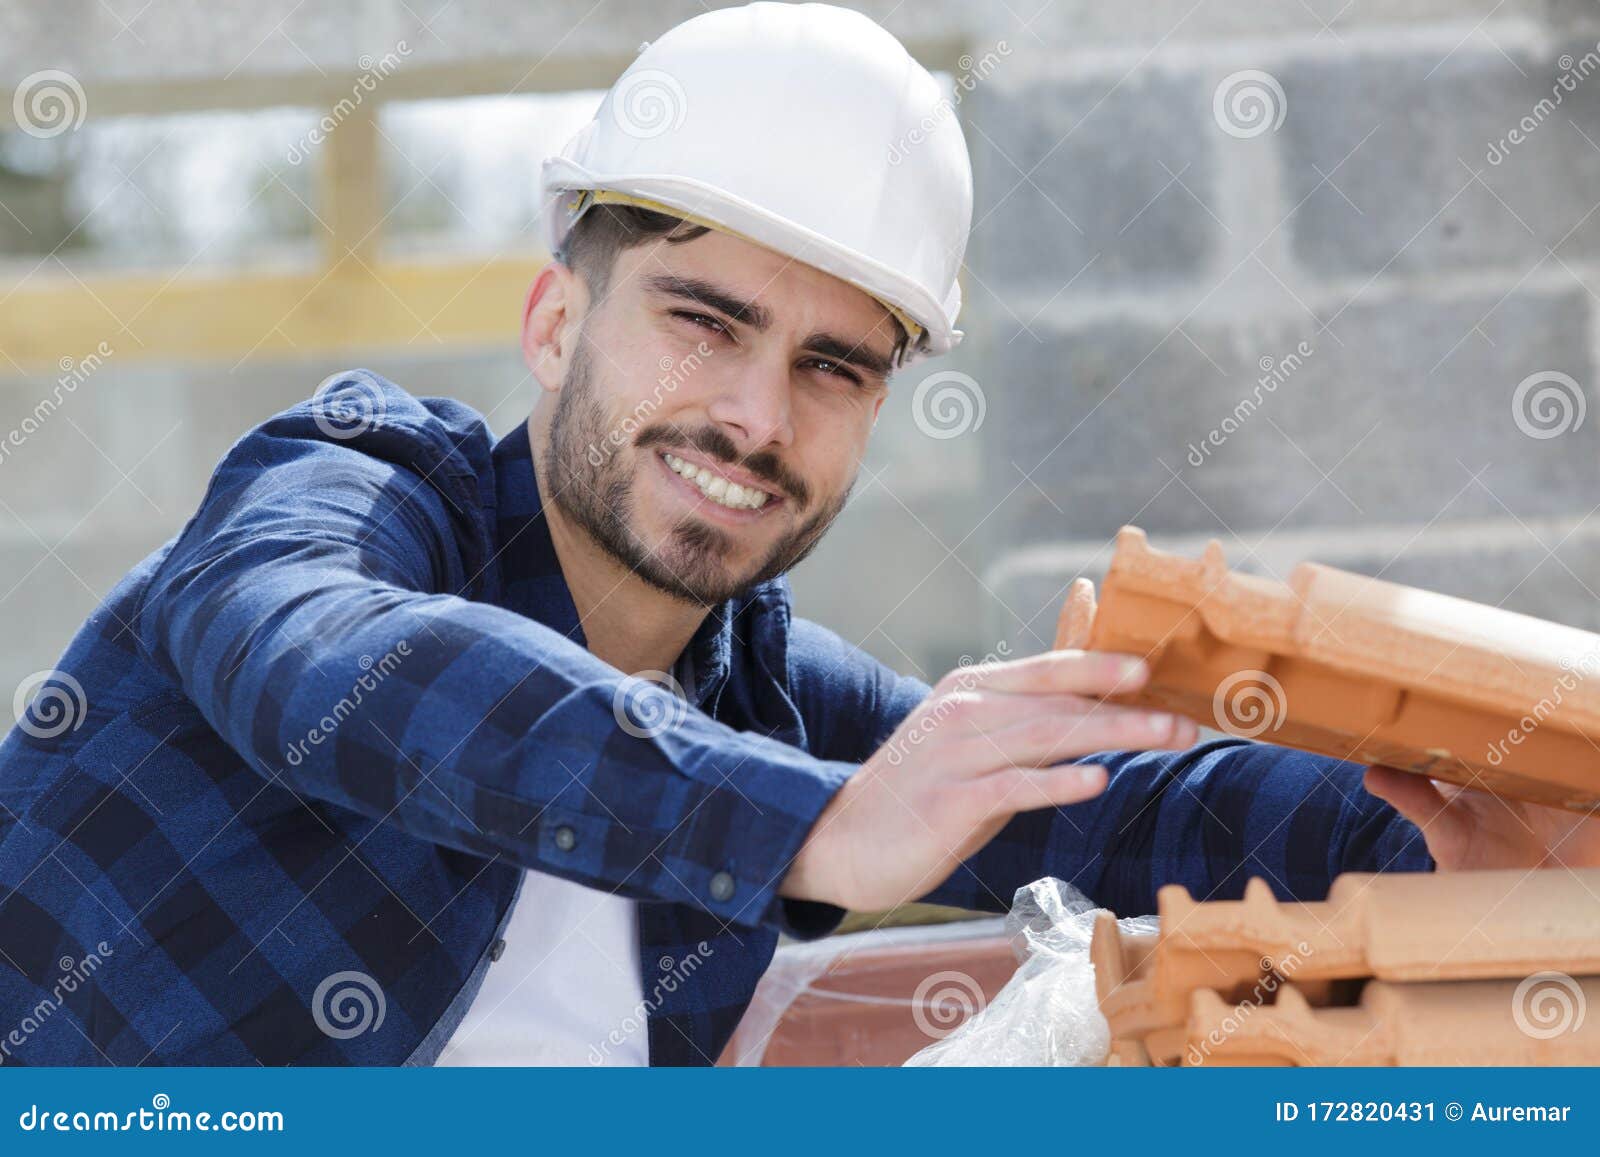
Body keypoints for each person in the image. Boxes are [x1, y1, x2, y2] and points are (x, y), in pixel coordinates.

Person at [1, 2, 1594, 1068]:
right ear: (557, 320)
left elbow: (1123, 809)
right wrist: (814, 831)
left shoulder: (764, 695)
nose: (759, 418)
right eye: (705, 319)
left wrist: (1442, 839)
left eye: (835, 366)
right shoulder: (342, 497)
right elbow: (332, 668)